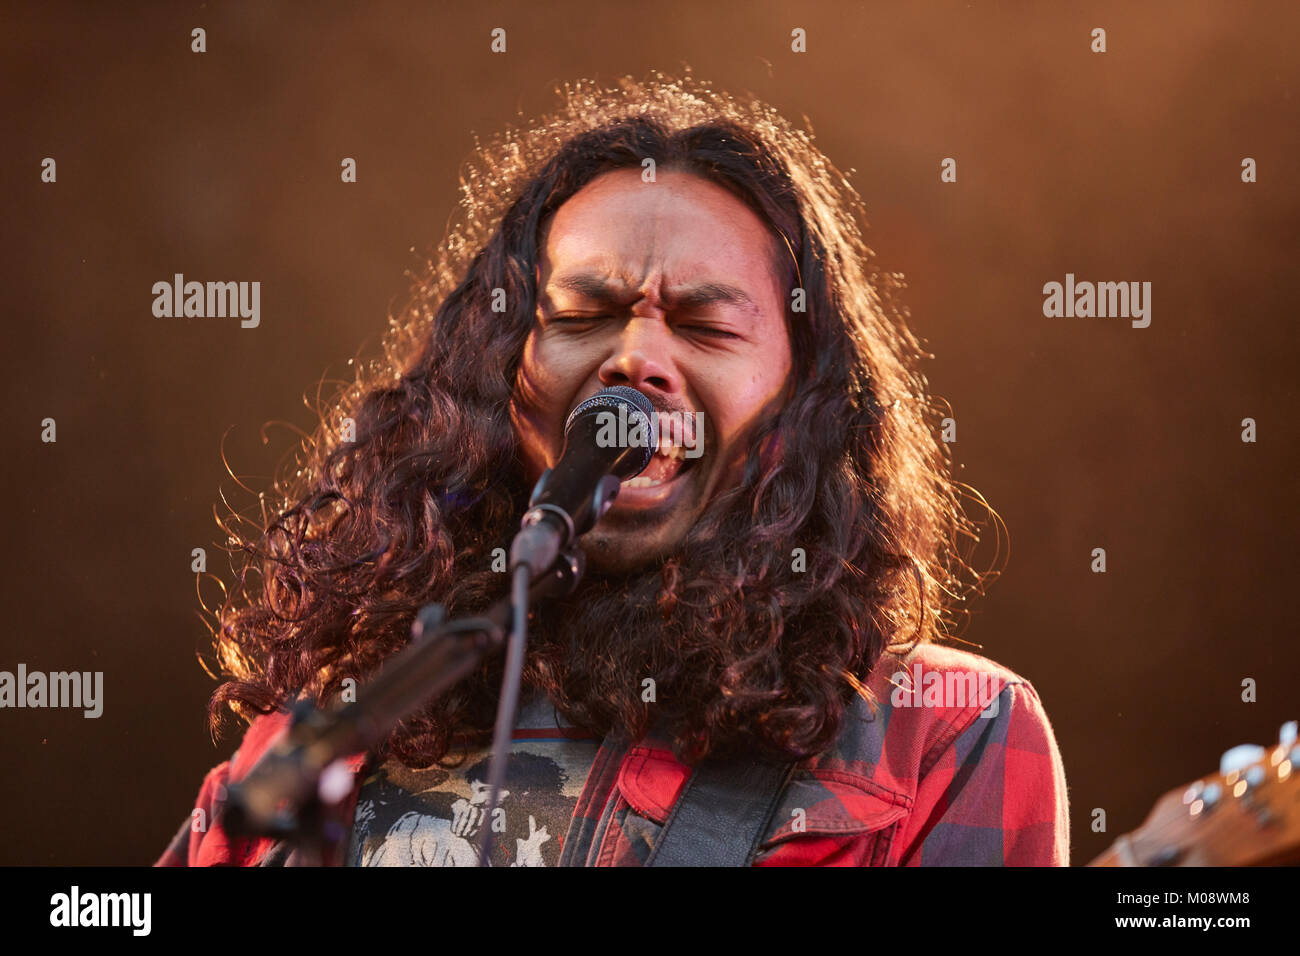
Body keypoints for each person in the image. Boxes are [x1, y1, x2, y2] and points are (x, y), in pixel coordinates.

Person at [156, 74, 1069, 868]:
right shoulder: (324, 738)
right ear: (498, 368)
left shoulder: (943, 731)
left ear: (807, 402)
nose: (636, 355)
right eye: (585, 312)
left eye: (707, 326)